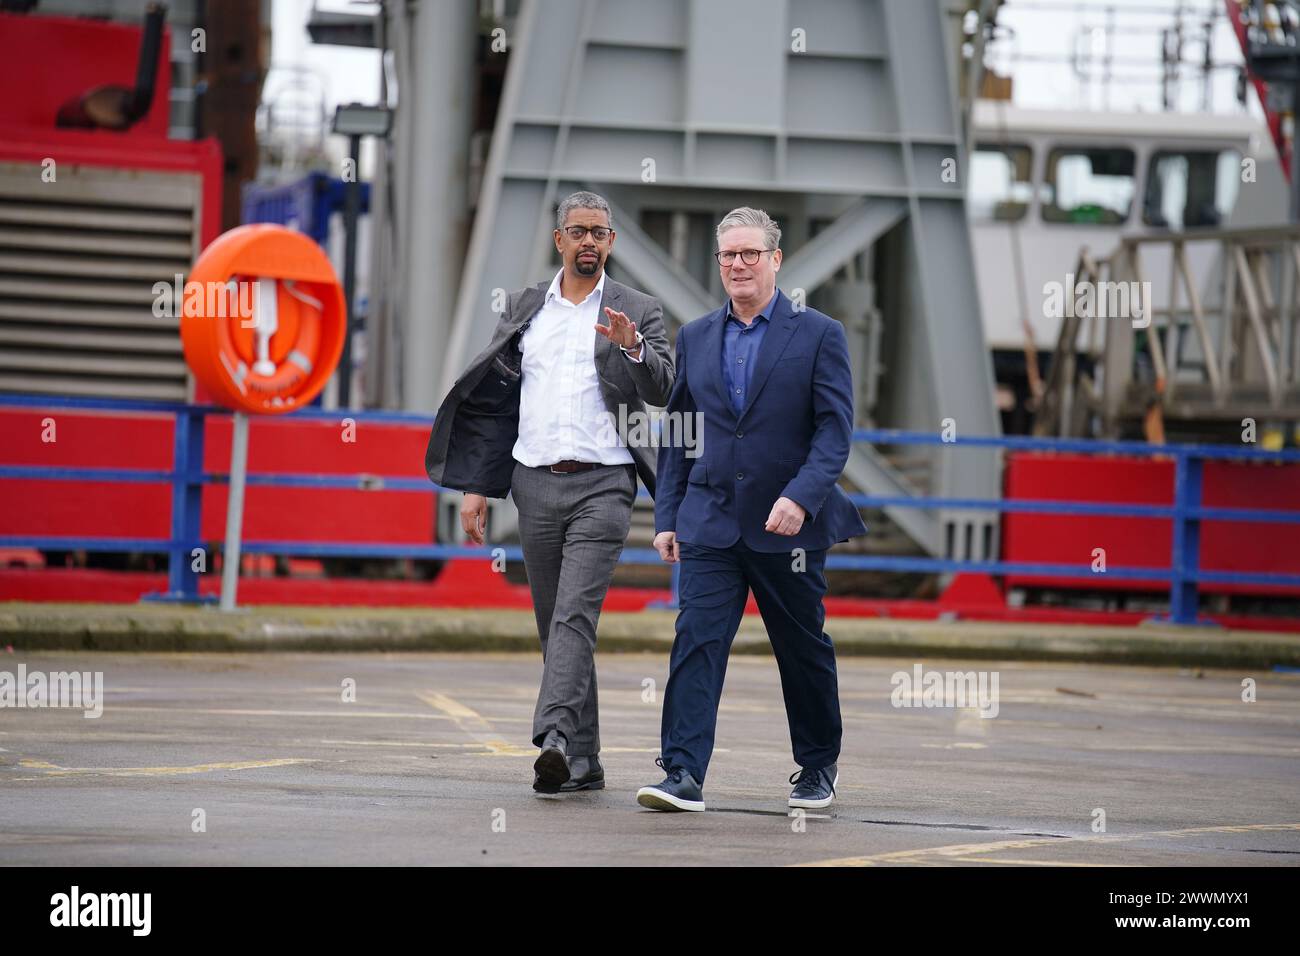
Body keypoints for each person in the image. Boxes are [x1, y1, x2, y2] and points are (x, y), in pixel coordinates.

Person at [425, 191, 673, 793]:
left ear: (611, 243)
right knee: (553, 624)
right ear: (558, 240)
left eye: (600, 232)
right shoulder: (524, 307)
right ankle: (584, 763)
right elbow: (496, 402)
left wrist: (632, 347)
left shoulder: (638, 308)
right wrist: (477, 487)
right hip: (532, 481)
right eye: (579, 231)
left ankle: (553, 736)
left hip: (605, 484)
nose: (590, 241)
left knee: (574, 615)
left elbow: (665, 386)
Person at [638, 206, 867, 812]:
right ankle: (681, 773)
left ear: (776, 260)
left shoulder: (820, 334)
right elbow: (681, 434)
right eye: (727, 255)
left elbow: (834, 432)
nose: (737, 264)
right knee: (696, 642)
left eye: (750, 254)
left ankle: (817, 765)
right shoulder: (696, 337)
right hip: (711, 522)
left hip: (786, 527)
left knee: (801, 648)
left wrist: (801, 496)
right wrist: (667, 516)